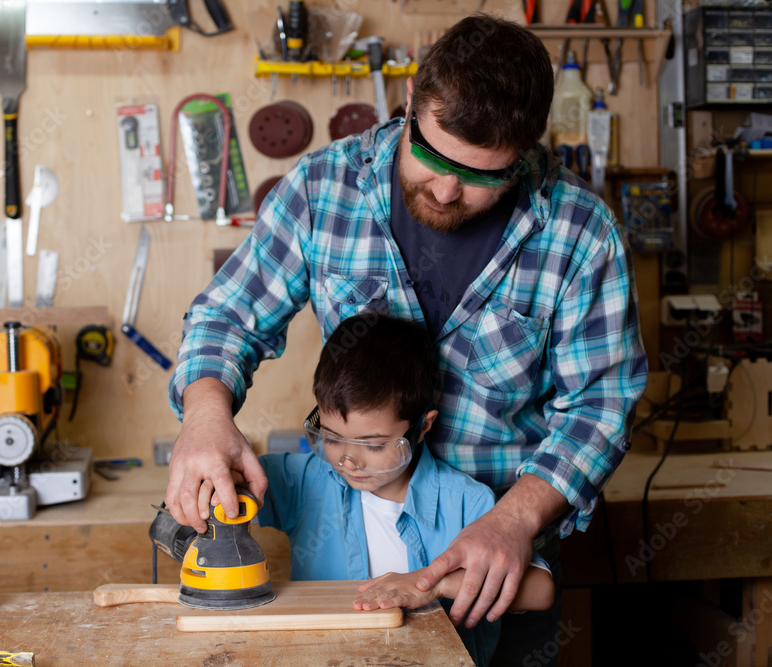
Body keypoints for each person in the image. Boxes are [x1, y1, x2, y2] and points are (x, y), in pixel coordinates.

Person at [167, 13, 647, 664]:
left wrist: (512, 521)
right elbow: (227, 317)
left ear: (528, 151)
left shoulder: (579, 232)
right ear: (410, 105)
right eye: (432, 155)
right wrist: (203, 415)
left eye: (483, 176)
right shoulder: (323, 189)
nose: (447, 190)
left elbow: (601, 407)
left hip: (494, 571)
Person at [198, 313, 555, 666]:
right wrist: (210, 480)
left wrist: (434, 585)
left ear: (422, 427)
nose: (350, 460)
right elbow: (230, 485)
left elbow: (541, 590)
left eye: (374, 445)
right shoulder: (306, 479)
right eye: (334, 438)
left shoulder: (466, 501)